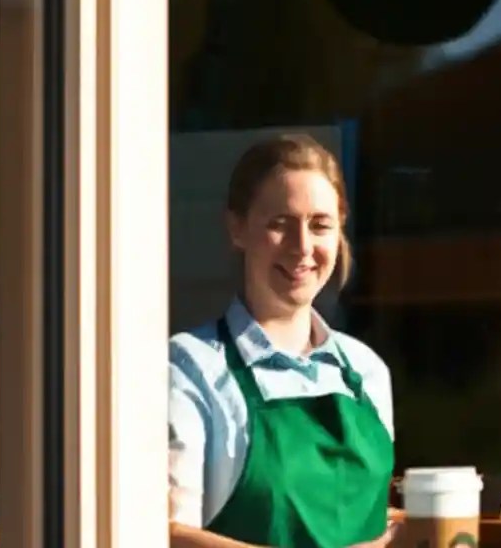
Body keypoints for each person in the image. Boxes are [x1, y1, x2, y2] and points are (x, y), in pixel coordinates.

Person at [168, 134, 396, 548]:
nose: (303, 247)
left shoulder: (366, 370)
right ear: (237, 228)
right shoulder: (190, 367)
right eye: (280, 224)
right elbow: (165, 536)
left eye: (320, 225)